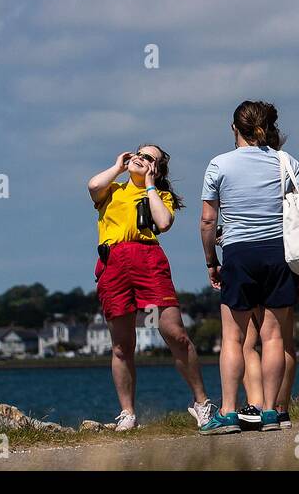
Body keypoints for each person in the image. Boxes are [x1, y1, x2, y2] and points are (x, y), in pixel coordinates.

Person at [198, 101, 299, 434]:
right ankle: (270, 413)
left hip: (238, 252)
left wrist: (211, 260)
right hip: (279, 253)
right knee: (274, 336)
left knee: (233, 338)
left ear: (235, 128)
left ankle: (230, 412)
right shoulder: (286, 161)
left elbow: (208, 220)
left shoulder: (219, 164)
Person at [87, 146, 215, 431]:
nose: (140, 159)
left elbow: (163, 222)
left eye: (149, 158)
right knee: (122, 344)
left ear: (156, 169)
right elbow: (93, 185)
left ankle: (202, 403)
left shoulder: (160, 194)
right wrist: (118, 166)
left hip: (148, 259)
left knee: (175, 334)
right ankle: (127, 413)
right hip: (113, 261)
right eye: (139, 153)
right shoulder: (113, 190)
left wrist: (149, 185)